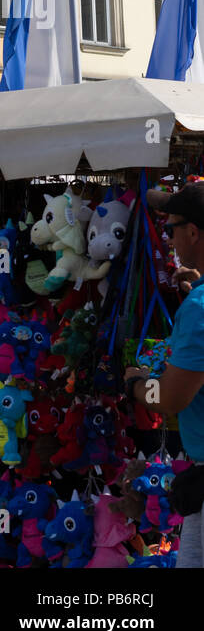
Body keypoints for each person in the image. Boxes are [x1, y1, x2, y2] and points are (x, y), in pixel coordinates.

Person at [125, 184, 204, 568]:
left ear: (193, 233)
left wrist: (138, 385)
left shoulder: (200, 307)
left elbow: (171, 398)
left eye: (171, 228)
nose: (168, 237)